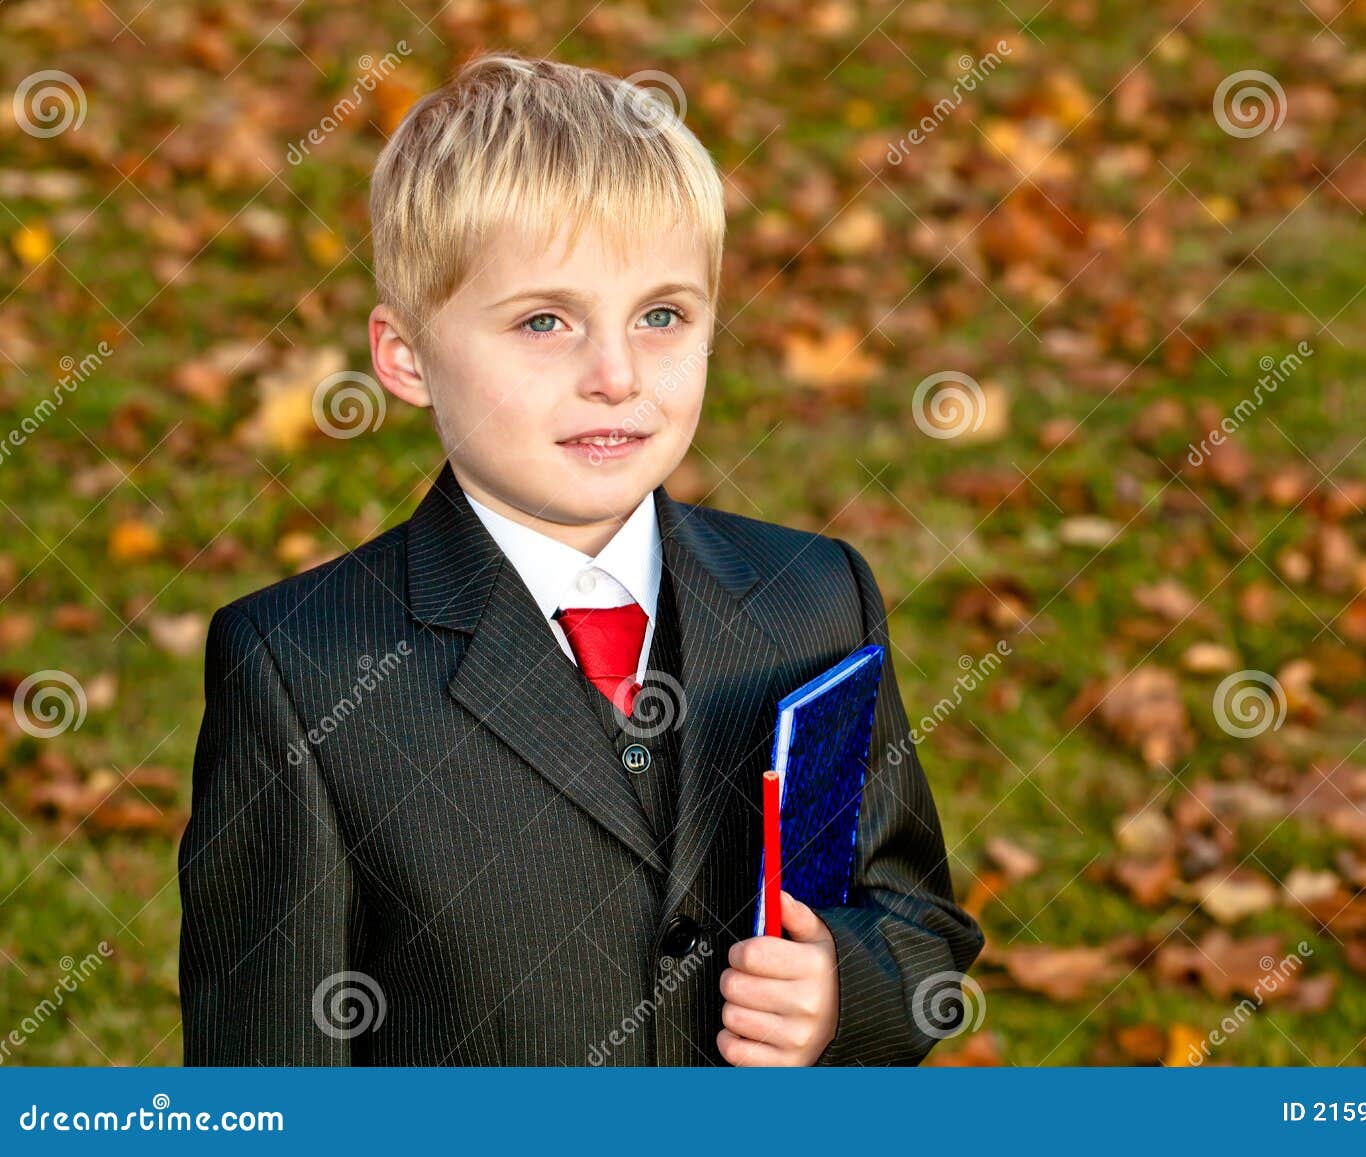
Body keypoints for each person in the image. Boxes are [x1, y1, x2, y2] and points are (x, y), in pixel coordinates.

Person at [177, 52, 982, 1066]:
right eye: (544, 322)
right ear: (406, 356)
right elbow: (271, 1068)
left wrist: (842, 993)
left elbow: (920, 931)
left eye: (661, 315)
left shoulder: (812, 600)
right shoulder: (303, 668)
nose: (615, 374)